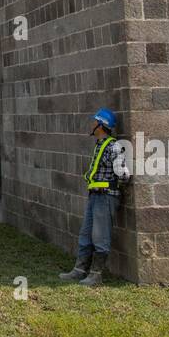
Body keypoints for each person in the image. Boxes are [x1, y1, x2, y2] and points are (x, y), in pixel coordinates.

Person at [59, 107, 129, 287]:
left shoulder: (113, 147)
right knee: (85, 234)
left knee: (100, 237)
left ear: (101, 125)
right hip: (94, 196)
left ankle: (96, 275)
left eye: (94, 121)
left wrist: (114, 185)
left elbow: (123, 173)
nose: (92, 124)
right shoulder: (99, 145)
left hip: (105, 197)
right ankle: (80, 270)